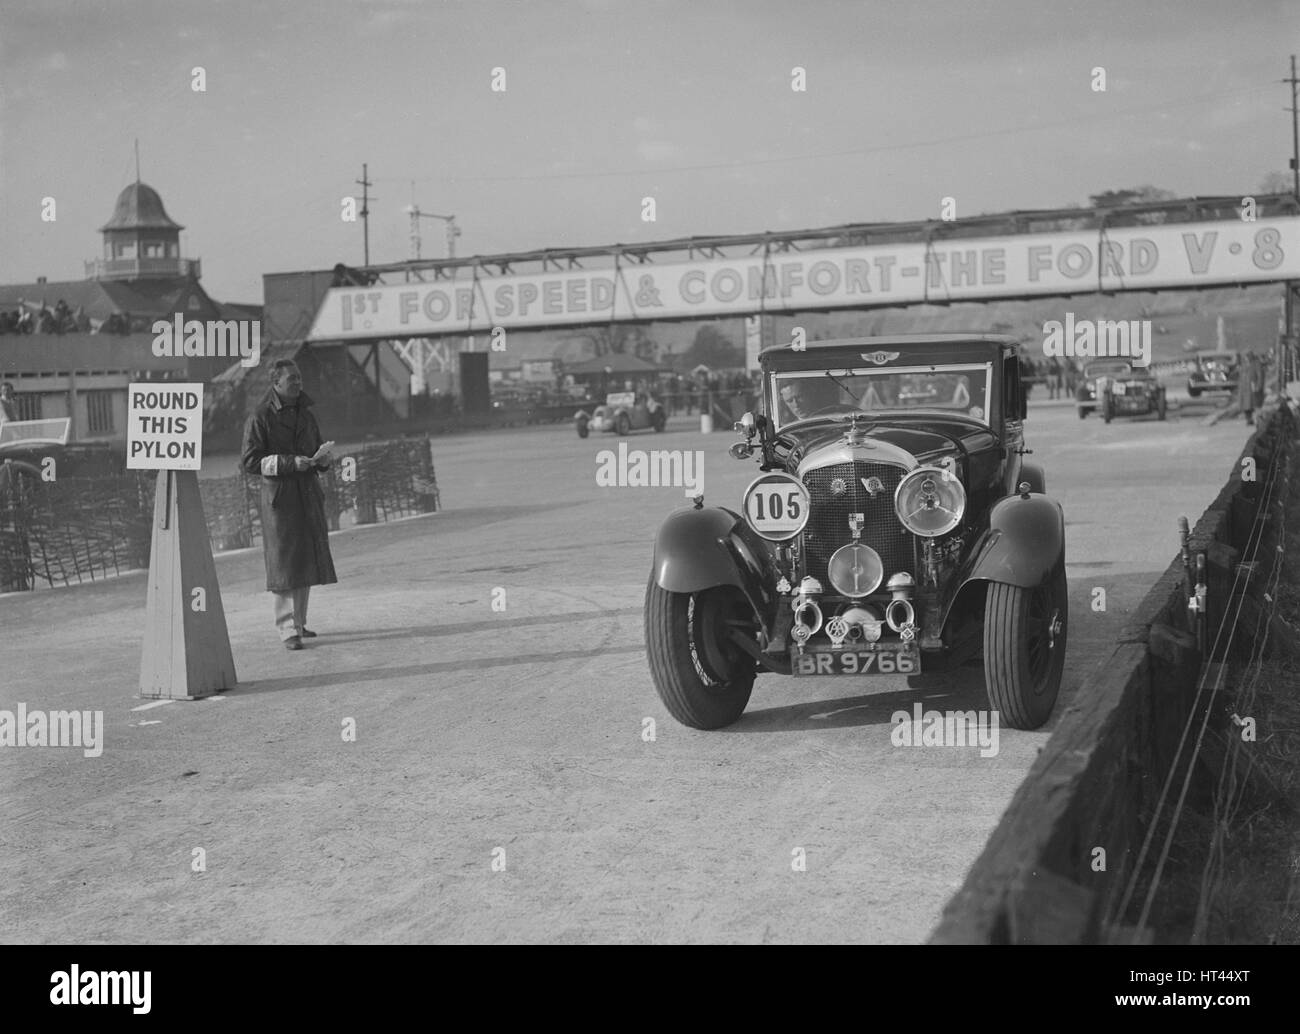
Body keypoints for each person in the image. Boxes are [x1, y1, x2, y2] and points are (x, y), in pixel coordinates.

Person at [241, 359, 337, 650]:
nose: (298, 383)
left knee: (305, 559)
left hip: (306, 493)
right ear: (276, 383)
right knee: (284, 565)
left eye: (299, 377)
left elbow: (315, 447)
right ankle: (286, 631)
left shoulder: (306, 415)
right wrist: (289, 462)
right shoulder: (260, 417)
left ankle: (299, 623)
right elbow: (249, 461)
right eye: (292, 379)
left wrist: (322, 461)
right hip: (280, 500)